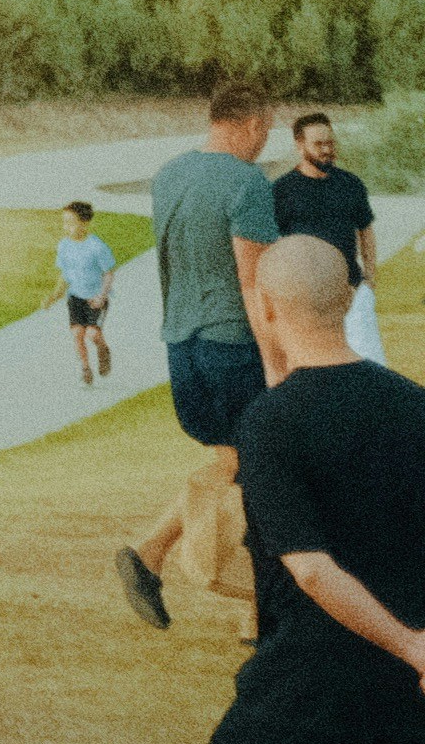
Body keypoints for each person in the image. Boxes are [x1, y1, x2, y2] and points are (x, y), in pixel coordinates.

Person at [203, 232, 425, 744]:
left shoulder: (272, 424)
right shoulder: (414, 407)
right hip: (399, 699)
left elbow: (311, 568)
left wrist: (414, 645)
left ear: (263, 306)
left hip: (307, 691)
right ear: (353, 296)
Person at [135, 86, 290, 628]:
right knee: (269, 467)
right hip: (232, 350)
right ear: (250, 124)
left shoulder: (169, 174)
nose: (263, 142)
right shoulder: (247, 182)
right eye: (266, 130)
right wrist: (276, 363)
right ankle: (258, 609)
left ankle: (152, 558)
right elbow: (254, 283)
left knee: (238, 464)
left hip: (181, 348)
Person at [285, 112, 383, 373]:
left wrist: (369, 279)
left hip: (352, 292)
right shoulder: (282, 191)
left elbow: (365, 231)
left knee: (369, 368)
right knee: (315, 372)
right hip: (306, 299)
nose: (327, 150)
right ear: (299, 144)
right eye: (319, 144)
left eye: (330, 143)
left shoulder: (350, 184)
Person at [67, 202, 127, 387]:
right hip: (75, 297)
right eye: (65, 223)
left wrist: (102, 295)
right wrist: (54, 295)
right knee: (77, 333)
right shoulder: (65, 246)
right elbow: (64, 273)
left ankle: (103, 350)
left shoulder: (97, 246)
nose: (66, 227)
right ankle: (85, 368)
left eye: (71, 223)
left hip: (95, 298)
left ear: (84, 223)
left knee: (92, 334)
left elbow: (109, 272)